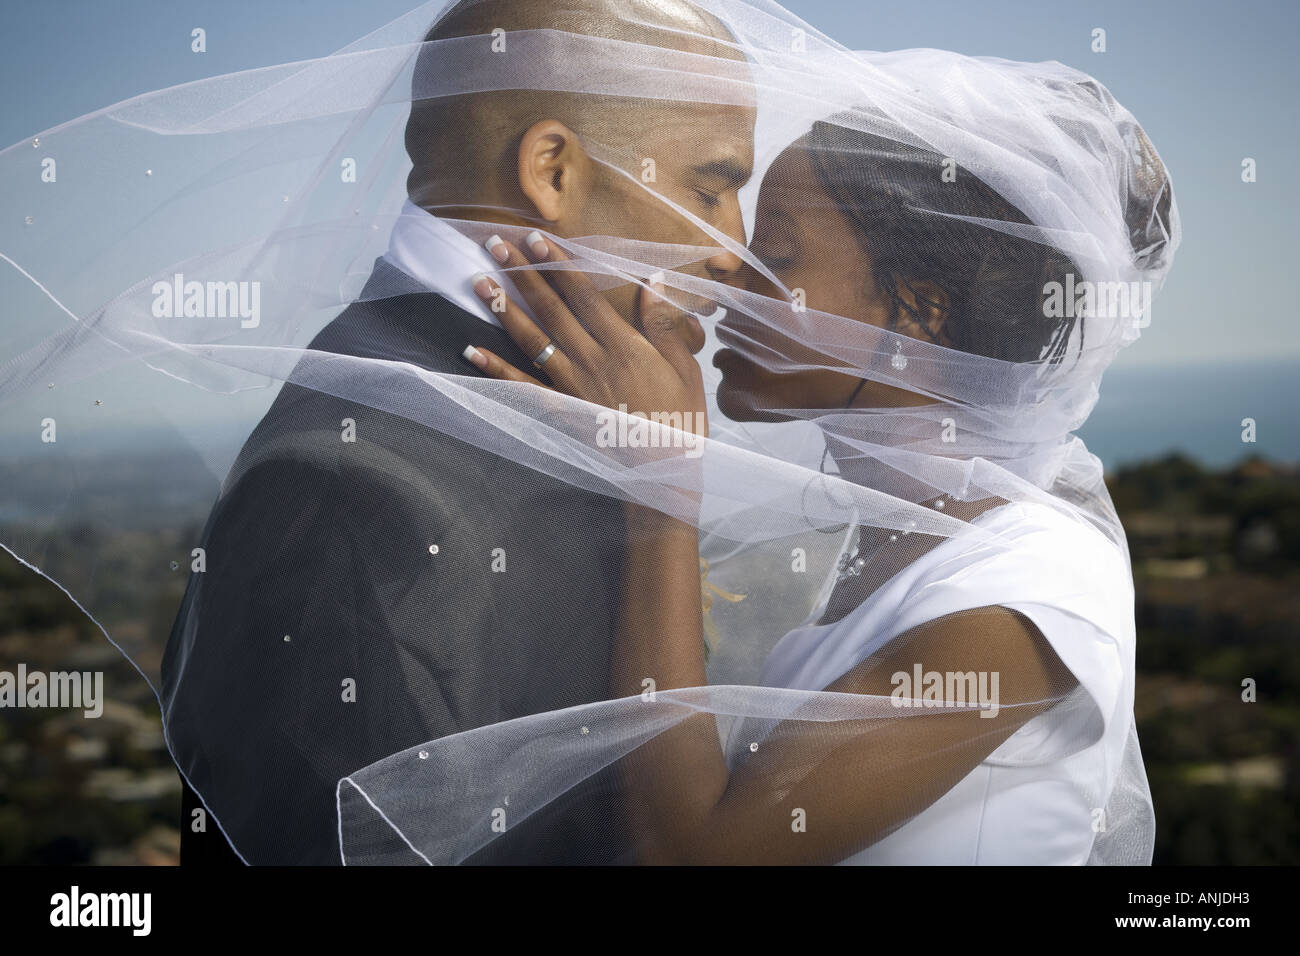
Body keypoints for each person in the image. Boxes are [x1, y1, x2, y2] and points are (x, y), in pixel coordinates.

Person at [456, 88, 1173, 863]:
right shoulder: (897, 536)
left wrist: (660, 486)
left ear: (920, 311)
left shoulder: (1030, 590)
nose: (726, 285)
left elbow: (694, 855)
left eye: (777, 260)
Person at [163, 0, 754, 865]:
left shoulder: (594, 407)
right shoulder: (352, 486)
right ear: (552, 170)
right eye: (709, 189)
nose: (732, 252)